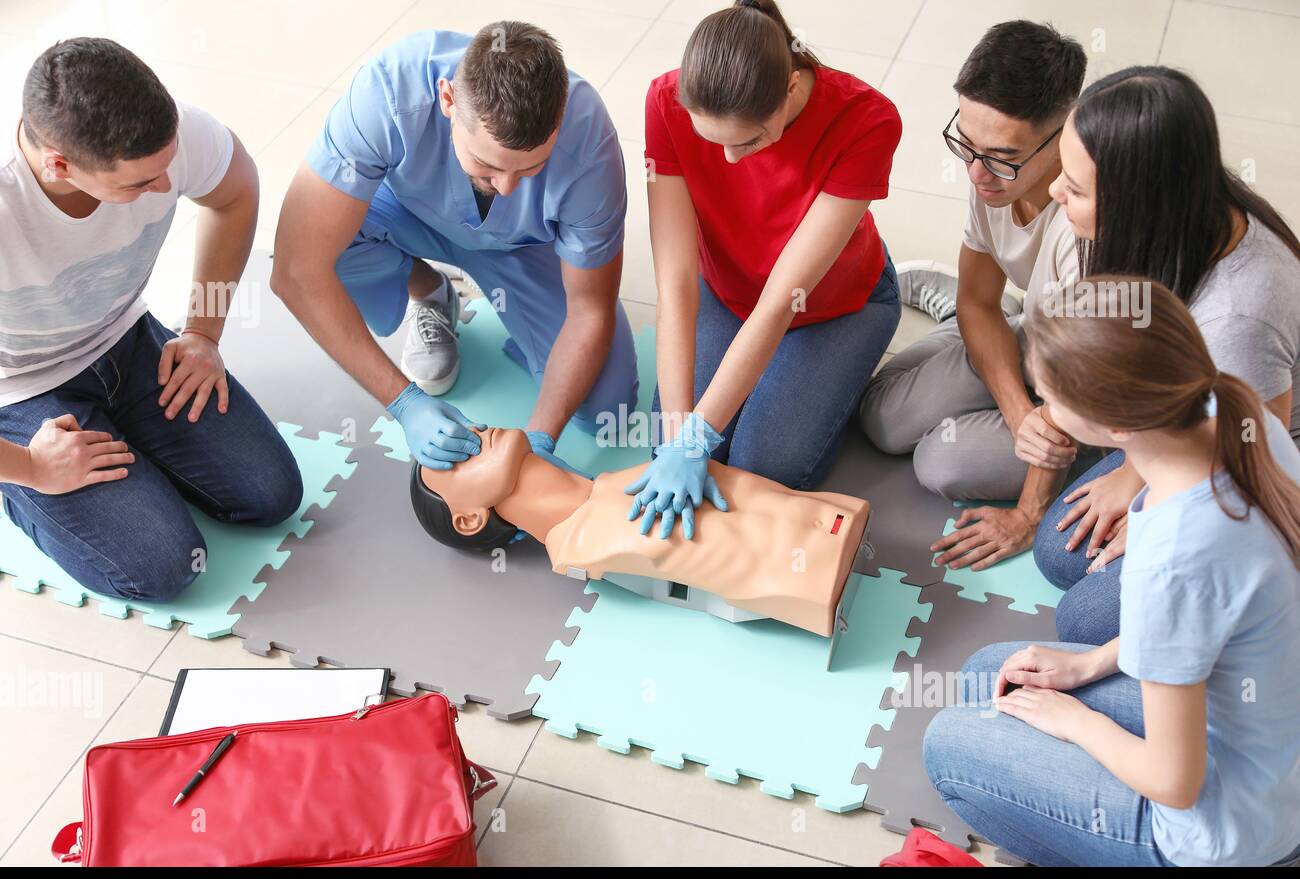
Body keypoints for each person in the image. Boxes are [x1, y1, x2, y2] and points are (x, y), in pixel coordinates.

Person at [924, 277, 1300, 867]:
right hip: (1266, 748)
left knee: (947, 747)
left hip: (1217, 836)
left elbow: (1175, 783)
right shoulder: (1239, 414)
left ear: (1115, 427)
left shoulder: (1175, 558)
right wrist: (1089, 663)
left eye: (1050, 396)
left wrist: (1075, 722)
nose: (1043, 409)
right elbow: (1210, 627)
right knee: (986, 676)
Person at [0, 38, 302, 602]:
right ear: (60, 165)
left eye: (164, 170)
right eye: (139, 183)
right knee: (162, 568)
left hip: (126, 341)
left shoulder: (175, 134)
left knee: (270, 495)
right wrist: (31, 469)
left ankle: (119, 433)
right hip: (17, 393)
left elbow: (234, 195)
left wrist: (203, 332)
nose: (163, 188)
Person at [272, 23, 636, 480]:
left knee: (607, 406)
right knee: (324, 240)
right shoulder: (389, 92)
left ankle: (518, 318)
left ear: (559, 121)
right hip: (404, 215)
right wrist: (404, 403)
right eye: (487, 165)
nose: (506, 187)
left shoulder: (589, 142)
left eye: (531, 168)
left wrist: (538, 440)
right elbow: (295, 269)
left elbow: (589, 311)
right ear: (447, 100)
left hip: (520, 246)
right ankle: (426, 289)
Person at [1031, 66, 1300, 646]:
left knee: (1084, 620)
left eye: (1075, 189)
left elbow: (1253, 460)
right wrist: (1135, 473)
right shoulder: (1171, 228)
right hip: (1184, 435)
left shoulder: (1238, 322)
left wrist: (1161, 508)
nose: (1054, 192)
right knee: (1059, 551)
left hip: (1247, 471)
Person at [627, 0, 902, 539]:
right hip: (727, 288)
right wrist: (681, 440)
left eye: (748, 141)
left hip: (833, 304)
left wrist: (698, 439)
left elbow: (781, 301)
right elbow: (677, 283)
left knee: (761, 467)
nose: (730, 161)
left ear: (793, 87)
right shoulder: (665, 99)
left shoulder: (867, 118)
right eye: (714, 142)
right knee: (668, 440)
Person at [859, 20, 1087, 573]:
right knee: (881, 419)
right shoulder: (993, 167)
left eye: (1002, 156)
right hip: (1039, 338)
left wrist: (1030, 516)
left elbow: (1078, 392)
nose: (977, 173)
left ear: (1064, 134)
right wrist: (1017, 416)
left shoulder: (1087, 233)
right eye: (966, 143)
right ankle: (1010, 322)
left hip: (1090, 392)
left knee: (941, 462)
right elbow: (980, 302)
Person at [410, 425, 870, 637]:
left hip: (836, 520)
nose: (468, 435)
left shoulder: (615, 485)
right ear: (469, 518)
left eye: (460, 430)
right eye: (452, 459)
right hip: (818, 578)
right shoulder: (588, 546)